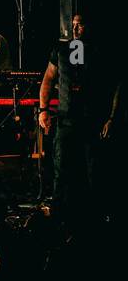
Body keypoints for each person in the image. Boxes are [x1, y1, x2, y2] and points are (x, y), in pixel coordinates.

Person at [38, 11, 119, 219]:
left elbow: (116, 87)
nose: (75, 28)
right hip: (66, 120)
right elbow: (48, 79)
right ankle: (59, 215)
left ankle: (97, 218)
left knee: (94, 172)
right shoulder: (62, 49)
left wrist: (112, 118)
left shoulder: (101, 51)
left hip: (93, 121)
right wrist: (43, 109)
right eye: (73, 24)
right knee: (61, 169)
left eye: (80, 25)